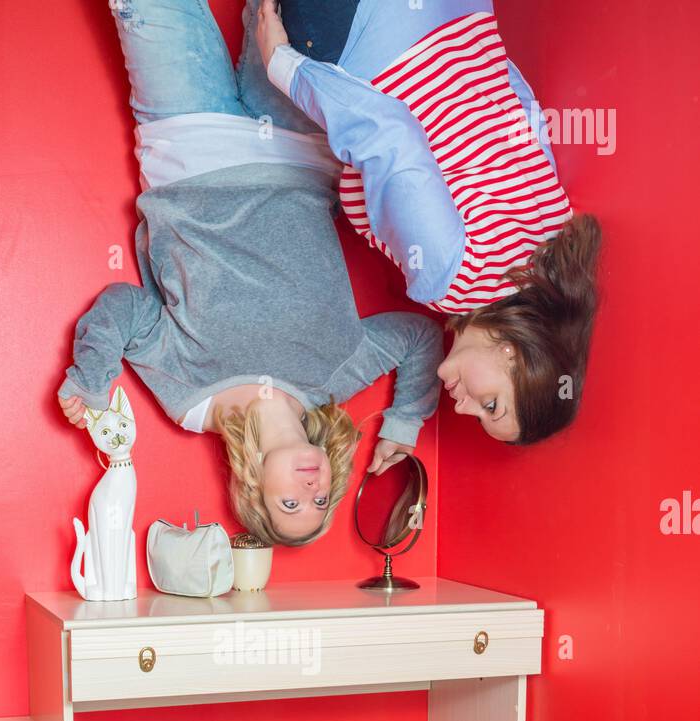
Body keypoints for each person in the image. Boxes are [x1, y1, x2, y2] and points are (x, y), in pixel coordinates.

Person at [58, 0, 443, 545]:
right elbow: (421, 337)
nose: (311, 488)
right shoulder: (334, 380)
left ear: (251, 485)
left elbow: (123, 307)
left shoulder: (189, 399)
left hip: (185, 141)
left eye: (290, 503)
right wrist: (405, 423)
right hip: (295, 138)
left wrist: (91, 380)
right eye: (321, 500)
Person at [257, 0, 602, 445]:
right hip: (362, 28)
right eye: (490, 404)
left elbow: (517, 96)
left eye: (477, 417)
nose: (462, 406)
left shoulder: (552, 235)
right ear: (512, 354)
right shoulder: (455, 281)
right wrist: (286, 68)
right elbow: (389, 134)